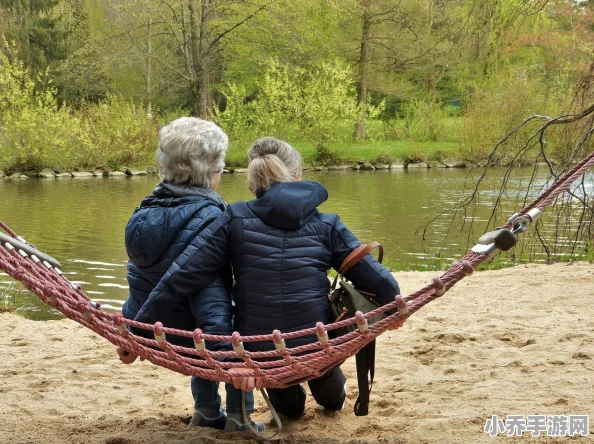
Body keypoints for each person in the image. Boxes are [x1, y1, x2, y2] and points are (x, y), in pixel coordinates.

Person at [136, 137, 400, 419]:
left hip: (261, 353)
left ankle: (295, 392)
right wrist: (395, 307)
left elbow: (184, 275)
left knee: (289, 410)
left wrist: (138, 329)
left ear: (252, 184)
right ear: (298, 175)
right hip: (317, 343)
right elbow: (380, 282)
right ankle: (328, 389)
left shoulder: (232, 218)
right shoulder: (327, 224)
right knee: (328, 388)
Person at [116, 117, 263, 433]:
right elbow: (213, 306)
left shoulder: (142, 214)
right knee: (244, 317)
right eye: (220, 166)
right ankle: (239, 417)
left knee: (201, 318)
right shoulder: (214, 219)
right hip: (196, 336)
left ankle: (206, 410)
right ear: (212, 172)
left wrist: (132, 330)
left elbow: (141, 280)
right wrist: (231, 363)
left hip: (154, 330)